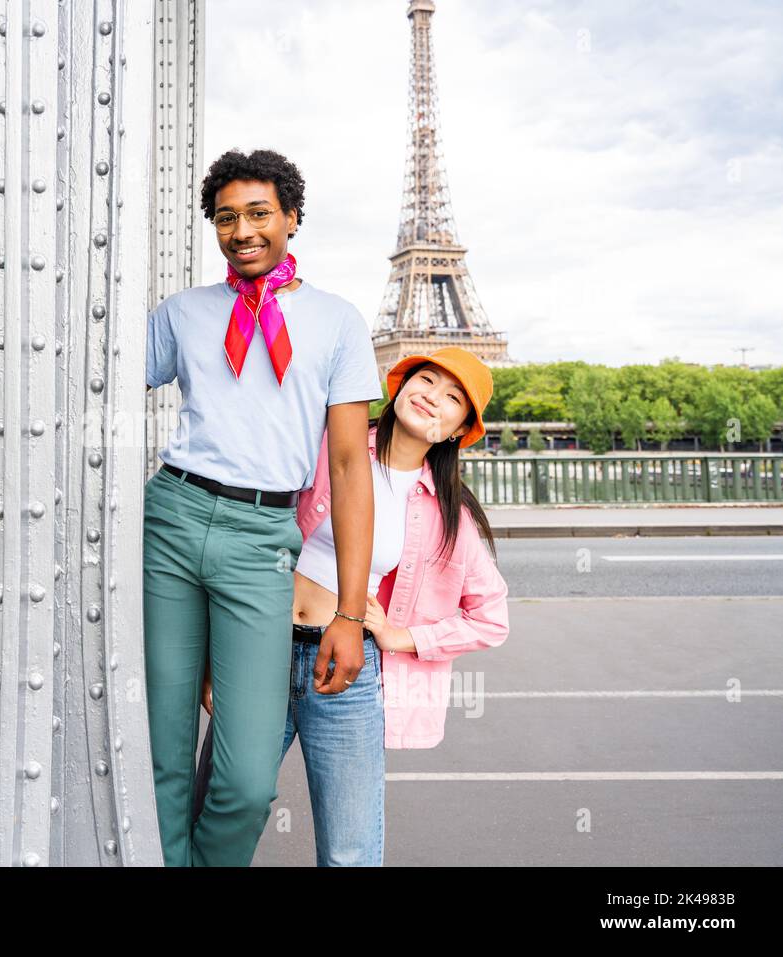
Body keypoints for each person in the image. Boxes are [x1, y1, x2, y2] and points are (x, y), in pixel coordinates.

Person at [143, 149, 381, 866]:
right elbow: (97, 375)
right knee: (161, 753)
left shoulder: (337, 321)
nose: (242, 230)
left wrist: (350, 610)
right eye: (226, 217)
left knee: (244, 779)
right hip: (173, 521)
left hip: (261, 539)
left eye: (258, 213)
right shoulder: (183, 313)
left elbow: (348, 467)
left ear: (292, 219)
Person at [195, 346, 510, 865]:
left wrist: (399, 636)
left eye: (453, 399)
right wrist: (216, 647)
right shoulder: (324, 444)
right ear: (400, 384)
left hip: (345, 671)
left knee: (350, 851)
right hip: (257, 649)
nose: (433, 398)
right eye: (427, 381)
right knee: (221, 814)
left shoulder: (446, 515)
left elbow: (491, 616)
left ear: (459, 430)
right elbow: (242, 534)